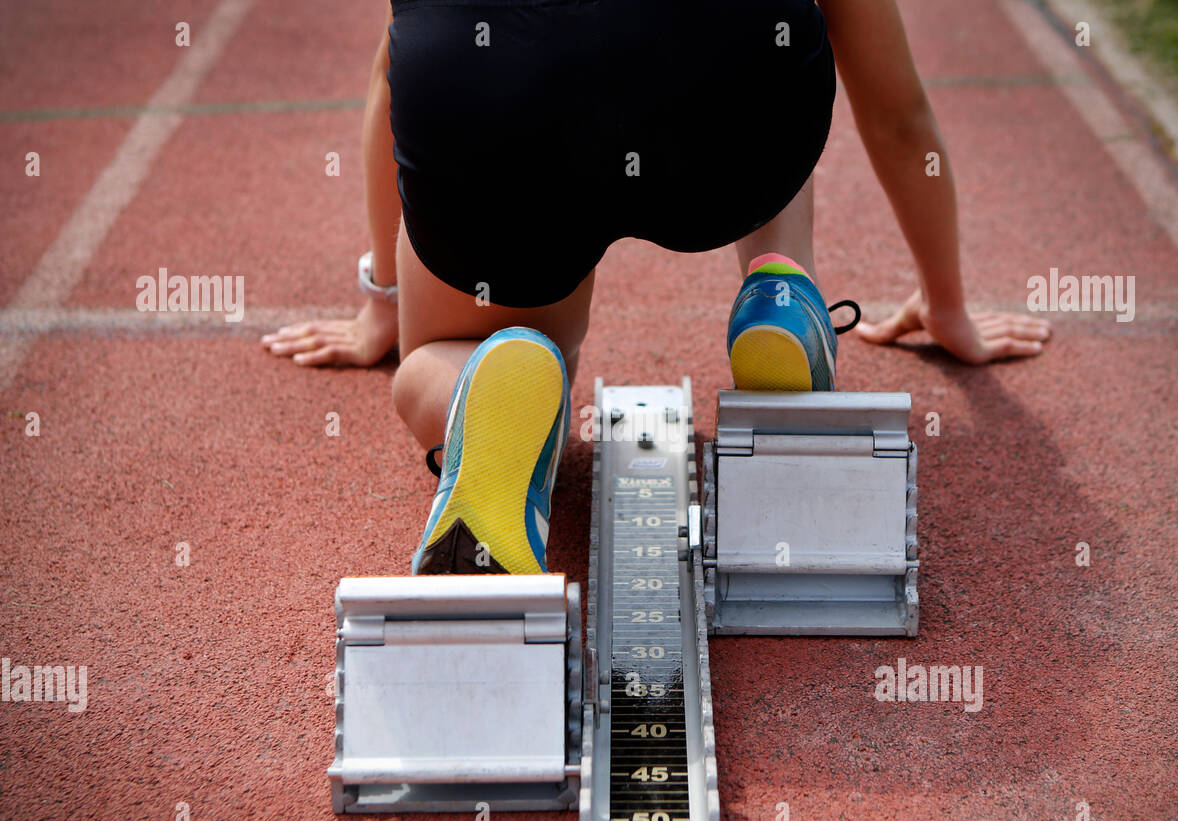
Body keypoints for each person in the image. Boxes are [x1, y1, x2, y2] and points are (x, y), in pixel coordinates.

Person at [262, 0, 1052, 576]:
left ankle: (478, 379)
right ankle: (782, 293)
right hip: (731, 116)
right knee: (765, 47)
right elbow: (900, 113)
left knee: (456, 341)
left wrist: (384, 300)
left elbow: (394, 67)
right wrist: (945, 302)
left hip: (506, 101)